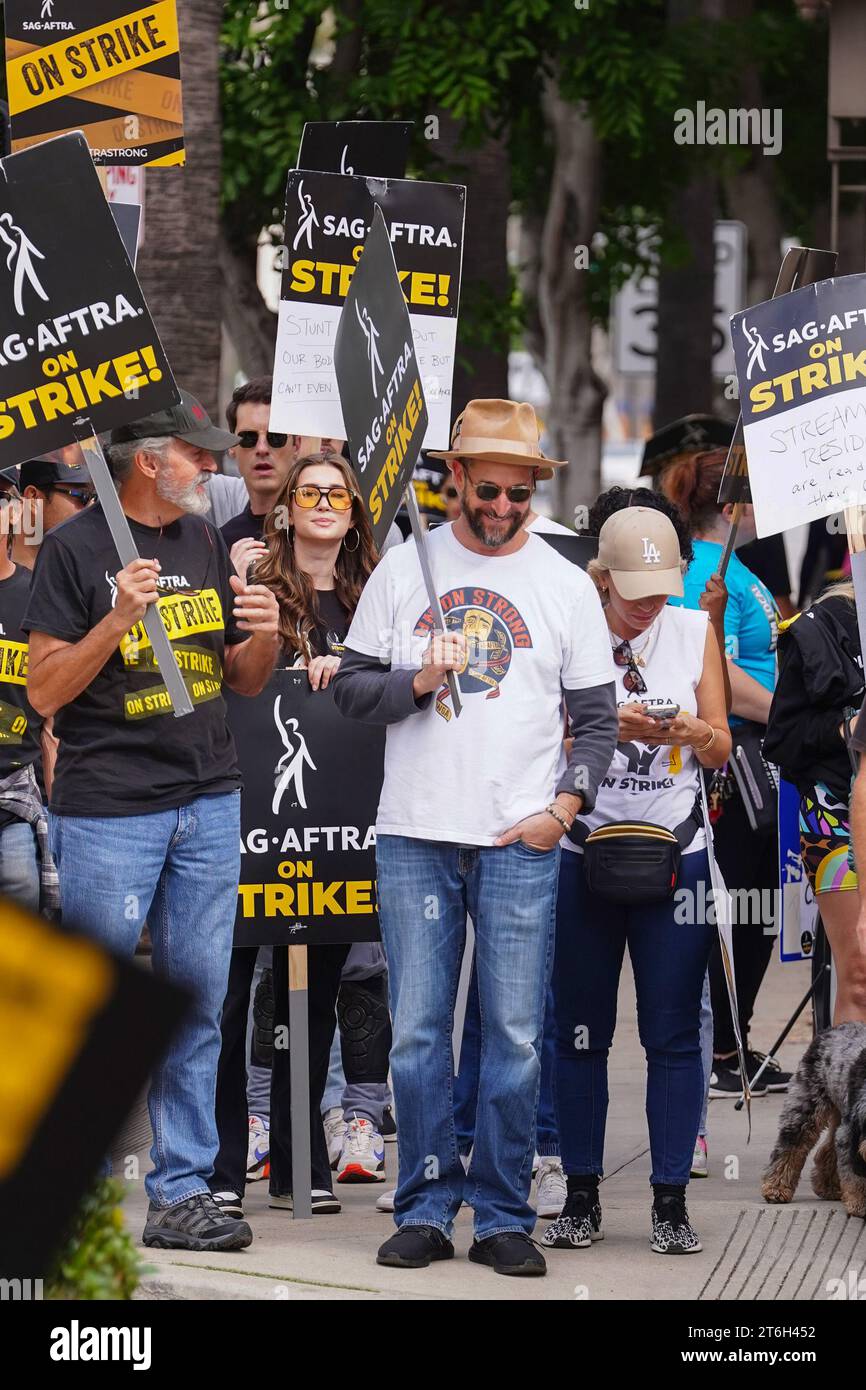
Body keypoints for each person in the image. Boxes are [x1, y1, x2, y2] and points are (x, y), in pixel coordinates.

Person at [333, 397, 618, 1278]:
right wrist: (420, 676)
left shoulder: (567, 584)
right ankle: (423, 1203)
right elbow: (348, 691)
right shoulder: (400, 570)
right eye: (484, 489)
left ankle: (500, 1213)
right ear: (453, 478)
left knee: (516, 1036)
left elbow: (599, 721)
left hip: (519, 840)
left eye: (517, 494)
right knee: (418, 1034)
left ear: (535, 490)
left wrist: (563, 811)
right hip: (416, 832)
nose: (498, 508)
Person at [23, 390, 280, 1254]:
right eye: (198, 456)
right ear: (147, 462)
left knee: (196, 1003)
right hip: (110, 809)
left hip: (209, 796)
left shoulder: (200, 538)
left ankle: (181, 1190)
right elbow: (45, 693)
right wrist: (118, 621)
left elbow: (239, 681)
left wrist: (266, 634)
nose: (213, 468)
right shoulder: (72, 549)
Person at [543, 505, 730, 1257]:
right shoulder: (571, 629)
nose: (651, 604)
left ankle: (670, 1199)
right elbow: (533, 734)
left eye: (663, 587)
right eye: (636, 591)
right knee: (580, 1029)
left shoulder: (692, 631)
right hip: (587, 845)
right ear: (603, 580)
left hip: (674, 852)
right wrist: (603, 728)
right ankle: (582, 1193)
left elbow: (720, 746)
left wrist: (687, 731)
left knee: (673, 1032)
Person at [210, 450, 390, 1219]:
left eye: (337, 495)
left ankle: (300, 1160)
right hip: (247, 815)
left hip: (337, 819)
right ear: (284, 507)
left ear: (354, 512)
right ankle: (224, 1162)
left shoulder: (377, 595)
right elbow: (220, 674)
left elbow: (397, 680)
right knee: (230, 993)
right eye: (308, 492)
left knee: (310, 996)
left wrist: (348, 665)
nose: (323, 504)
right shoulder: (250, 586)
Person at [661, 449, 791, 1099]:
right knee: (739, 900)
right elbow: (708, 663)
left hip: (761, 747)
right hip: (735, 751)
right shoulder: (704, 572)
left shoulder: (733, 566)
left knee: (759, 901)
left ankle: (733, 1039)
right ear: (735, 504)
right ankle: (719, 1049)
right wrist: (788, 711)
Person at [764, 581, 866, 1022]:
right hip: (836, 814)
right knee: (860, 976)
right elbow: (782, 741)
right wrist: (847, 728)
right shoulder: (824, 624)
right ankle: (851, 1091)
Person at [220, 376, 300, 549]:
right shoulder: (221, 544)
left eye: (275, 437)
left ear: (297, 444)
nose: (262, 448)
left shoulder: (324, 528)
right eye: (248, 438)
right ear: (231, 446)